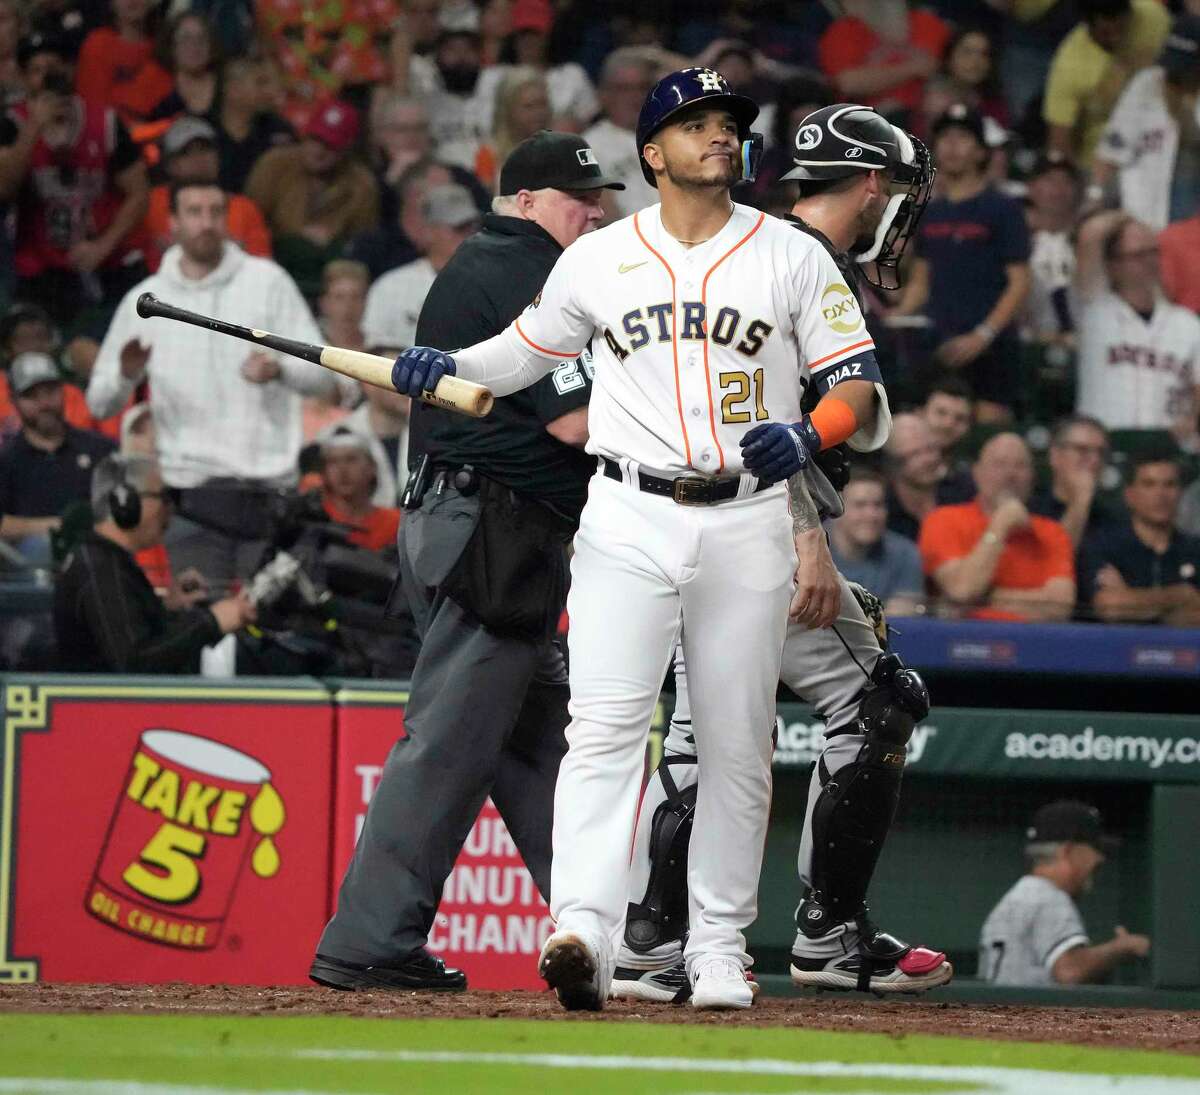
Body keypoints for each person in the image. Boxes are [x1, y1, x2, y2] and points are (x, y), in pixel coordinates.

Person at [387, 72, 921, 1012]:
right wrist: (448, 366)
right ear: (652, 152)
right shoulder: (601, 256)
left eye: (727, 124)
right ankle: (583, 929)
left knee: (735, 743)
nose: (719, 136)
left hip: (748, 513)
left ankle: (717, 944)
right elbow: (525, 351)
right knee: (600, 728)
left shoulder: (789, 255)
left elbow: (858, 387)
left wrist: (812, 432)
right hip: (626, 512)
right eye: (697, 124)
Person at [612, 103, 945, 1005]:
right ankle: (828, 934)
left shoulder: (754, 243)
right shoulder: (804, 260)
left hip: (678, 521)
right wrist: (808, 542)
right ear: (872, 184)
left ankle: (651, 934)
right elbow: (768, 418)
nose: (899, 208)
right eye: (897, 191)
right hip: (752, 522)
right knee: (876, 700)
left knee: (702, 726)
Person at [311, 131, 619, 997]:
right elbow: (575, 423)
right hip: (492, 530)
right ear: (524, 201)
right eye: (575, 196)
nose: (594, 210)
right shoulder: (525, 269)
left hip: (480, 525)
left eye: (597, 195)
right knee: (447, 743)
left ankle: (611, 928)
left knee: (542, 749)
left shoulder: (501, 262)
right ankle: (368, 939)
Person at [88, 178, 355, 587]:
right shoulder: (147, 299)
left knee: (272, 635)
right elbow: (99, 405)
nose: (207, 223)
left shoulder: (268, 282)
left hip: (269, 493)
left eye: (216, 212)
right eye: (194, 212)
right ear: (172, 222)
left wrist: (281, 368)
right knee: (201, 627)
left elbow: (323, 377)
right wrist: (126, 373)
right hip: (191, 499)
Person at [890, 103, 1031, 423]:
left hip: (992, 346)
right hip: (940, 341)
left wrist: (984, 333)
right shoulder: (932, 211)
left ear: (982, 152)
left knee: (987, 420)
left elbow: (1020, 281)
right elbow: (922, 279)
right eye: (946, 138)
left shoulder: (1003, 208)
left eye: (963, 138)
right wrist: (898, 316)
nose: (952, 146)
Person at [0, 31, 149, 332]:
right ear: (24, 78)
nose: (46, 78)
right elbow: (4, 188)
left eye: (53, 68)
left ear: (69, 71)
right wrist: (33, 128)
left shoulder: (104, 123)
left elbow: (139, 193)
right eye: (36, 71)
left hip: (102, 260)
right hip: (36, 268)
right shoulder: (11, 125)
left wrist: (103, 246)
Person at [54, 452, 255, 672]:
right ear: (125, 502)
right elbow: (137, 663)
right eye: (163, 498)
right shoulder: (102, 570)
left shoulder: (105, 559)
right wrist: (212, 622)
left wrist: (165, 608)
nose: (170, 510)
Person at [979, 801, 1150, 986]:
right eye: (1095, 848)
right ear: (1068, 851)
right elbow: (1069, 971)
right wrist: (1121, 948)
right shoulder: (1050, 897)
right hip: (1027, 1012)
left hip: (1001, 1012)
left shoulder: (1015, 898)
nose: (1100, 858)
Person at [1073, 210, 1200, 443]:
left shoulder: (1186, 323)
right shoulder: (1093, 312)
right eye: (1137, 255)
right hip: (1105, 445)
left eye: (1153, 252)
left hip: (1168, 447)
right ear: (1113, 264)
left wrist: (1193, 419)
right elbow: (1090, 233)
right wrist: (1131, 221)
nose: (1149, 261)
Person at [920, 432, 1075, 622]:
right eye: (999, 464)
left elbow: (1060, 607)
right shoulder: (943, 520)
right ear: (977, 473)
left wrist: (987, 597)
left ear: (1032, 477)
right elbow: (962, 590)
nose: (1010, 474)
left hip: (1036, 641)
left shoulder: (1051, 532)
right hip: (966, 639)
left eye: (1020, 466)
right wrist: (1000, 526)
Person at [245, 99, 380, 300]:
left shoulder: (361, 184)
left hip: (328, 279)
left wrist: (333, 240)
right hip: (274, 263)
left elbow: (362, 243)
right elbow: (250, 220)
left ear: (347, 148)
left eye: (330, 145)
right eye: (315, 139)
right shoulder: (275, 164)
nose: (318, 151)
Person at [0, 349, 114, 559]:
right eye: (31, 396)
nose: (44, 404)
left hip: (100, 559)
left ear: (64, 391)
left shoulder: (100, 449)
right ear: (14, 400)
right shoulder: (7, 461)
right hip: (31, 574)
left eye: (50, 392)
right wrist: (58, 526)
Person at [1092, 15, 1200, 232]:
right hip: (1144, 216)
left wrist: (1183, 114)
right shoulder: (1147, 83)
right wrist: (1094, 196)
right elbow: (1111, 151)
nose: (1175, 74)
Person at [1043, 0, 1170, 169]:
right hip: (1103, 161)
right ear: (1087, 25)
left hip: (1163, 142)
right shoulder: (1069, 65)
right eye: (1106, 32)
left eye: (1122, 28)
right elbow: (1059, 143)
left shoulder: (1154, 17)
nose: (1115, 38)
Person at [1078, 452, 1200, 625]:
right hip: (1116, 648)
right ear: (1130, 495)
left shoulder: (1195, 549)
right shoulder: (1103, 545)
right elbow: (1111, 608)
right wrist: (1183, 595)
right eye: (1149, 484)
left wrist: (1131, 600)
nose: (1160, 494)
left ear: (1180, 493)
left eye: (1170, 485)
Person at [362, 184, 481, 356]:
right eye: (458, 228)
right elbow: (376, 358)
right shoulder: (392, 287)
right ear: (430, 231)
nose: (469, 234)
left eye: (471, 226)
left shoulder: (492, 282)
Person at [139, 116, 271, 272]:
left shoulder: (244, 207)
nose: (199, 158)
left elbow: (262, 268)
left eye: (206, 149)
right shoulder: (148, 203)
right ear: (169, 164)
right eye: (187, 152)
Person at [817, 0, 950, 124]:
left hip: (925, 121)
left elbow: (952, 68)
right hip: (864, 122)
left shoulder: (928, 24)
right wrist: (913, 68)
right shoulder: (844, 31)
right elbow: (848, 83)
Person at [828, 466, 925, 618]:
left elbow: (906, 615)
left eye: (878, 505)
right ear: (836, 508)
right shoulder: (808, 547)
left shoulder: (904, 553)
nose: (871, 515)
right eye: (860, 505)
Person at [582, 47, 660, 219]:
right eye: (625, 89)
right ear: (604, 94)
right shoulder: (591, 145)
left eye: (642, 87)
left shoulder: (668, 135)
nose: (636, 97)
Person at [74, 0, 171, 127]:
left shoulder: (164, 48)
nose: (132, 1)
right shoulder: (98, 45)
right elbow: (92, 106)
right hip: (108, 136)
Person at [210, 55, 295, 195]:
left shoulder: (280, 131)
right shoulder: (202, 130)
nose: (269, 92)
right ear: (233, 89)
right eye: (260, 83)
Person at [883, 411, 972, 541]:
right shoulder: (882, 507)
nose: (929, 459)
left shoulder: (962, 491)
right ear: (893, 463)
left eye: (931, 449)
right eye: (915, 454)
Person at [1023, 153, 1082, 346]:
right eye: (1049, 180)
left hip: (1081, 341)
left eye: (1066, 181)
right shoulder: (1015, 242)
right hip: (1028, 341)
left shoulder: (1089, 243)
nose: (1058, 189)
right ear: (1031, 188)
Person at [1030, 415, 1116, 547]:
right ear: (1055, 456)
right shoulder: (1031, 512)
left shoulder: (1112, 520)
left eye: (1101, 453)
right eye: (1082, 450)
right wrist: (1081, 500)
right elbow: (1055, 558)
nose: (1095, 460)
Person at [318, 428, 401, 552]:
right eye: (333, 462)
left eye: (351, 460)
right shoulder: (316, 521)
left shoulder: (395, 524)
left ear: (372, 467)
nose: (342, 470)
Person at [473, 66, 552, 188]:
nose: (538, 113)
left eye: (542, 104)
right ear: (507, 110)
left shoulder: (562, 149)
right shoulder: (489, 155)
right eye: (528, 106)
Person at [148, 11, 220, 121]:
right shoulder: (158, 91)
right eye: (186, 38)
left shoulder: (228, 87)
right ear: (171, 46)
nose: (195, 46)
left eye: (202, 38)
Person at [921, 375, 974, 462]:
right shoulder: (893, 457)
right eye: (941, 413)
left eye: (960, 418)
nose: (948, 424)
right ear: (922, 413)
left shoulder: (968, 471)